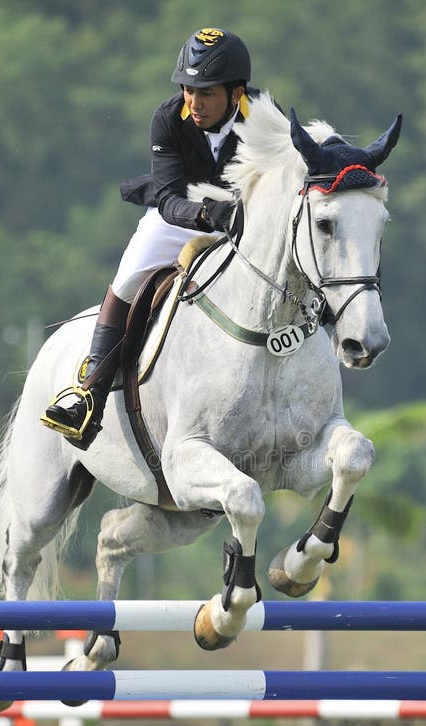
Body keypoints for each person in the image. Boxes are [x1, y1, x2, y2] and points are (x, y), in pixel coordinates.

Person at [42, 27, 257, 449]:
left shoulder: (262, 115)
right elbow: (169, 198)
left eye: (206, 93)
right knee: (127, 278)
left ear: (236, 93)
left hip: (243, 219)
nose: (194, 102)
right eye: (188, 90)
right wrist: (204, 213)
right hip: (178, 218)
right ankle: (89, 395)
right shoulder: (168, 118)